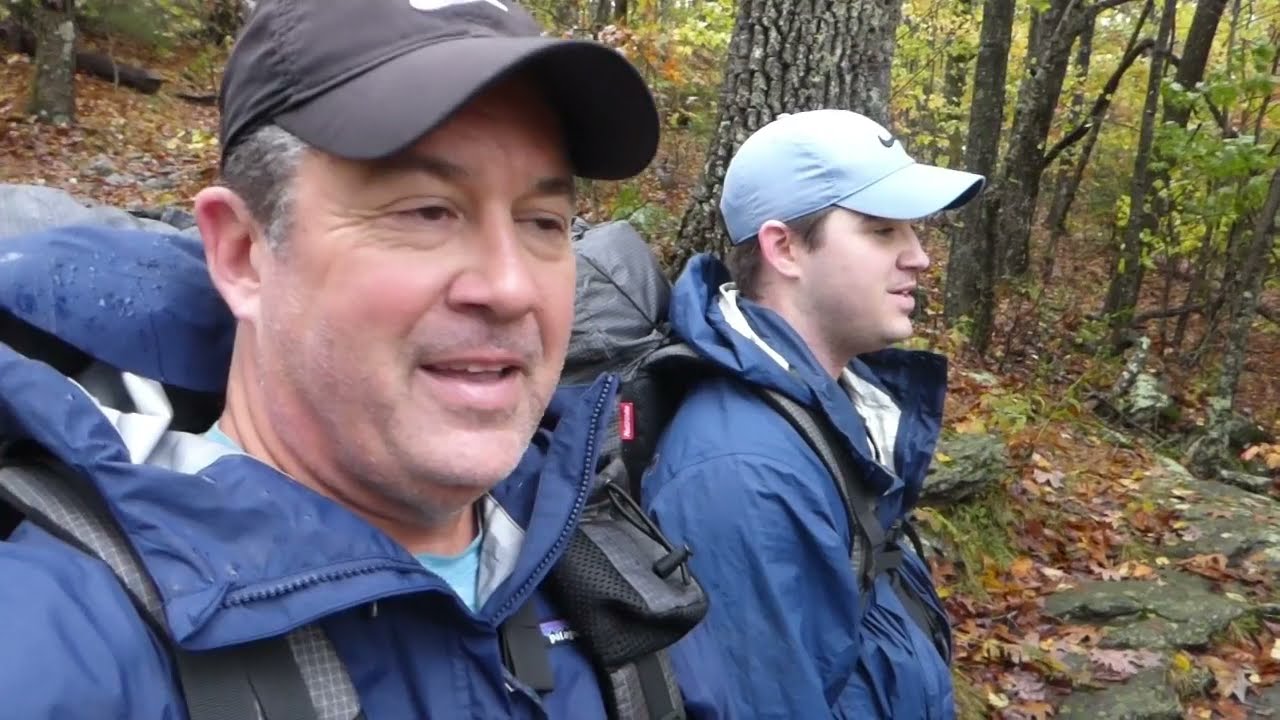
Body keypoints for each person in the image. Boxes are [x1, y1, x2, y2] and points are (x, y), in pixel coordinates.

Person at [0, 0, 730, 717]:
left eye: (543, 222)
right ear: (245, 253)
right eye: (426, 211)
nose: (510, 288)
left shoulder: (604, 568)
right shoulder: (62, 650)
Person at [639, 109, 986, 719]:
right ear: (785, 248)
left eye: (911, 231)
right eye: (882, 230)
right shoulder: (744, 472)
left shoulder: (828, 408)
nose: (919, 257)